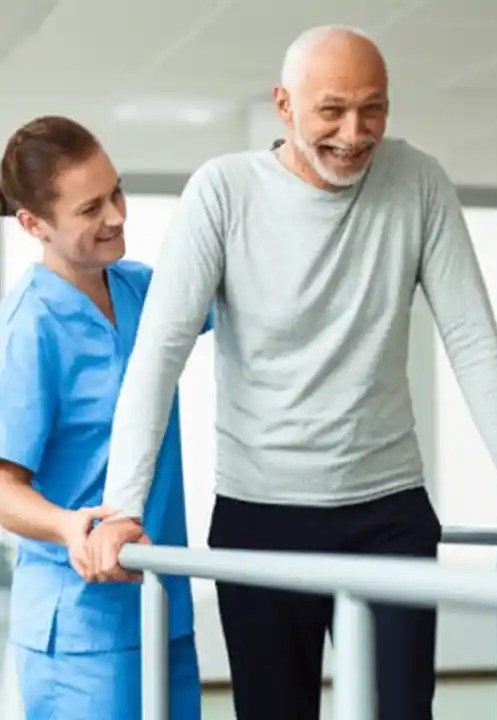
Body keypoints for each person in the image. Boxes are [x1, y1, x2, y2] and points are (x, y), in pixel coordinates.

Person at [81, 25, 497, 720]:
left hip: (388, 513)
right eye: (332, 109)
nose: (355, 132)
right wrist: (122, 507)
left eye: (373, 108)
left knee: (402, 710)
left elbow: (472, 339)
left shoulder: (419, 182)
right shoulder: (222, 193)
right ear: (285, 106)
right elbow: (160, 351)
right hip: (261, 516)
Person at [0, 116, 204, 719]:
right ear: (34, 225)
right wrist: (68, 528)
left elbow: (240, 289)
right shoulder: (30, 327)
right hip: (81, 631)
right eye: (90, 208)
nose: (116, 215)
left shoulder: (143, 289)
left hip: (164, 606)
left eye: (116, 191)